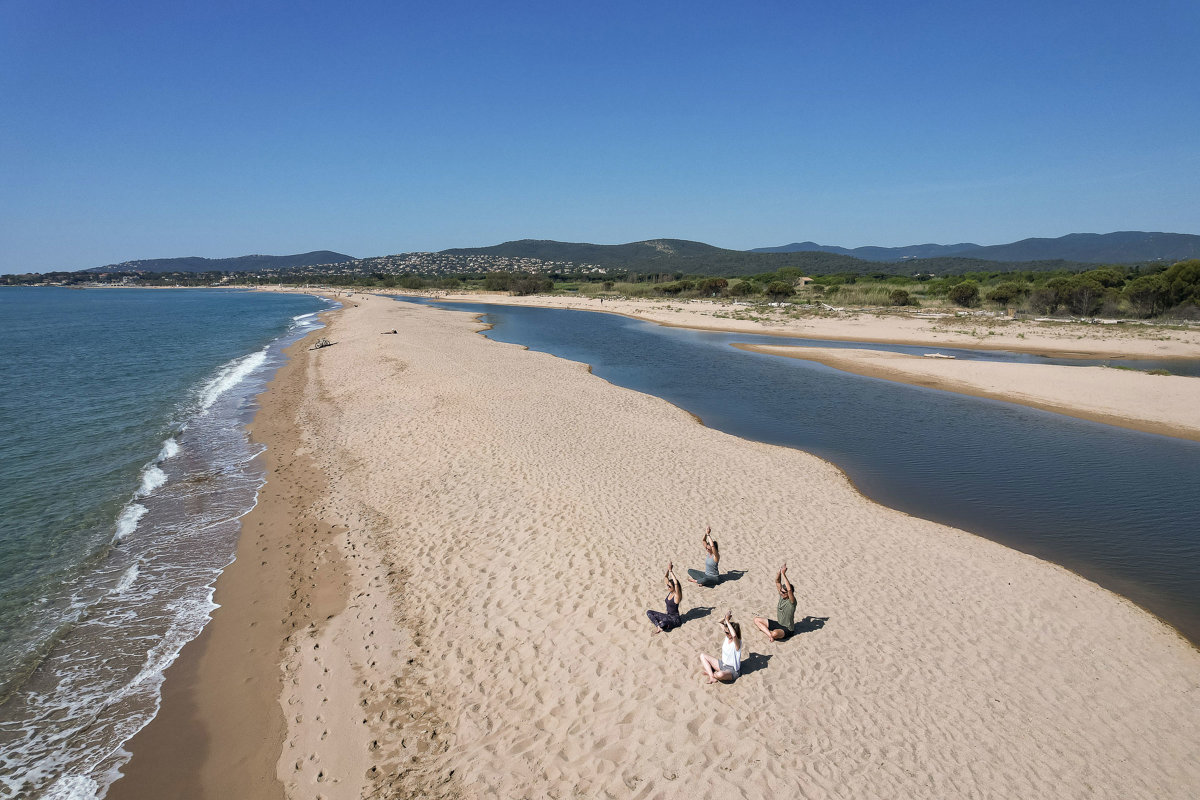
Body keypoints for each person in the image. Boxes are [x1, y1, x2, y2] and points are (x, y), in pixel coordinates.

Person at [753, 563, 796, 642]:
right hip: (778, 624)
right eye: (781, 591)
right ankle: (770, 635)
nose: (781, 593)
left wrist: (783, 574)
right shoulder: (782, 596)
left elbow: (789, 590)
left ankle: (770, 634)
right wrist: (780, 571)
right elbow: (777, 581)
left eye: (783, 592)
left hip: (787, 629)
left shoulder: (792, 602)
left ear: (788, 594)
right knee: (756, 620)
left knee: (775, 633)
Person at [698, 610, 742, 684]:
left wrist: (727, 621)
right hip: (722, 664)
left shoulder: (737, 643)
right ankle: (712, 676)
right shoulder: (727, 637)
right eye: (725, 632)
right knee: (702, 656)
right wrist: (725, 618)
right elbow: (719, 622)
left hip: (732, 670)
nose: (725, 634)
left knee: (720, 674)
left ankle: (712, 673)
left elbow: (734, 635)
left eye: (727, 633)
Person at [646, 562, 683, 634]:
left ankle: (661, 625)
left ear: (674, 588)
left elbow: (675, 583)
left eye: (669, 586)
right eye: (668, 586)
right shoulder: (670, 592)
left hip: (675, 620)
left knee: (663, 623)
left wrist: (671, 571)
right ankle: (659, 627)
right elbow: (666, 578)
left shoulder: (676, 596)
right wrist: (668, 569)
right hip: (668, 616)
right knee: (649, 612)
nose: (668, 587)